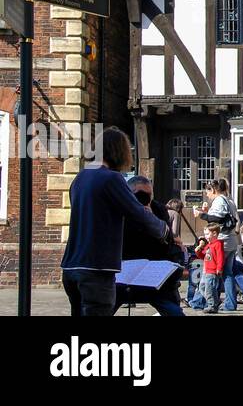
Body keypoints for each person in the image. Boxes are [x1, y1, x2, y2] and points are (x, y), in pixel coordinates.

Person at [61, 126, 171, 316]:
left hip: (71, 267)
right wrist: (164, 231)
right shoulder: (111, 178)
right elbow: (137, 213)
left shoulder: (79, 178)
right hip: (96, 268)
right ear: (119, 152)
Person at [116, 175, 186, 316]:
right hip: (125, 269)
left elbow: (166, 241)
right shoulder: (120, 210)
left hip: (152, 270)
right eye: (140, 195)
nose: (145, 199)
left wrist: (150, 216)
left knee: (174, 310)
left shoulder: (158, 209)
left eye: (149, 195)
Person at [195, 178, 240, 311]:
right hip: (231, 240)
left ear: (213, 190)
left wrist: (201, 215)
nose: (207, 195)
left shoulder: (219, 200)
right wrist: (208, 211)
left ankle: (209, 302)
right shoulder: (229, 200)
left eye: (207, 192)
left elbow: (217, 219)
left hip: (223, 241)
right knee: (227, 273)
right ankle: (229, 303)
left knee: (210, 273)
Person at [195, 222, 225, 313]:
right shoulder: (208, 245)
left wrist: (219, 268)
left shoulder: (217, 244)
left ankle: (212, 305)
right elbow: (203, 256)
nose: (206, 236)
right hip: (205, 270)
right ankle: (215, 301)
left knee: (209, 288)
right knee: (202, 287)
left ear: (215, 234)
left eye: (207, 234)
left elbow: (220, 257)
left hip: (212, 271)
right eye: (205, 234)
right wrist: (199, 249)